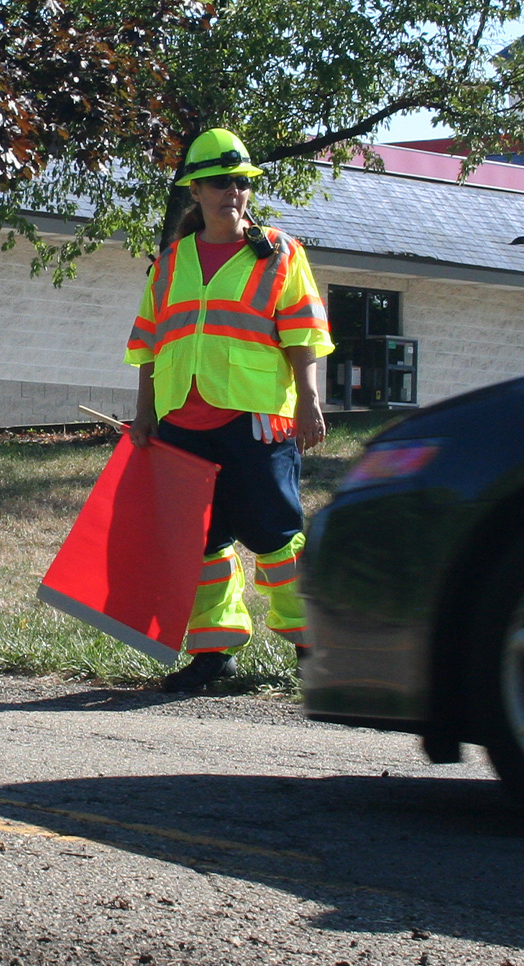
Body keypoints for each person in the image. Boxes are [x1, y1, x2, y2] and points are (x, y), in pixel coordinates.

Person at [125, 128, 334, 692]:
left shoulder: (279, 252)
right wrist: (144, 414)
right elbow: (149, 345)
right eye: (219, 183)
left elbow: (305, 335)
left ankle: (315, 645)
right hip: (180, 423)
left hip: (258, 417)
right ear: (195, 191)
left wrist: (311, 401)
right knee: (201, 543)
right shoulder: (170, 262)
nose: (232, 193)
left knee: (275, 536)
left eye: (240, 183)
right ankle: (215, 651)